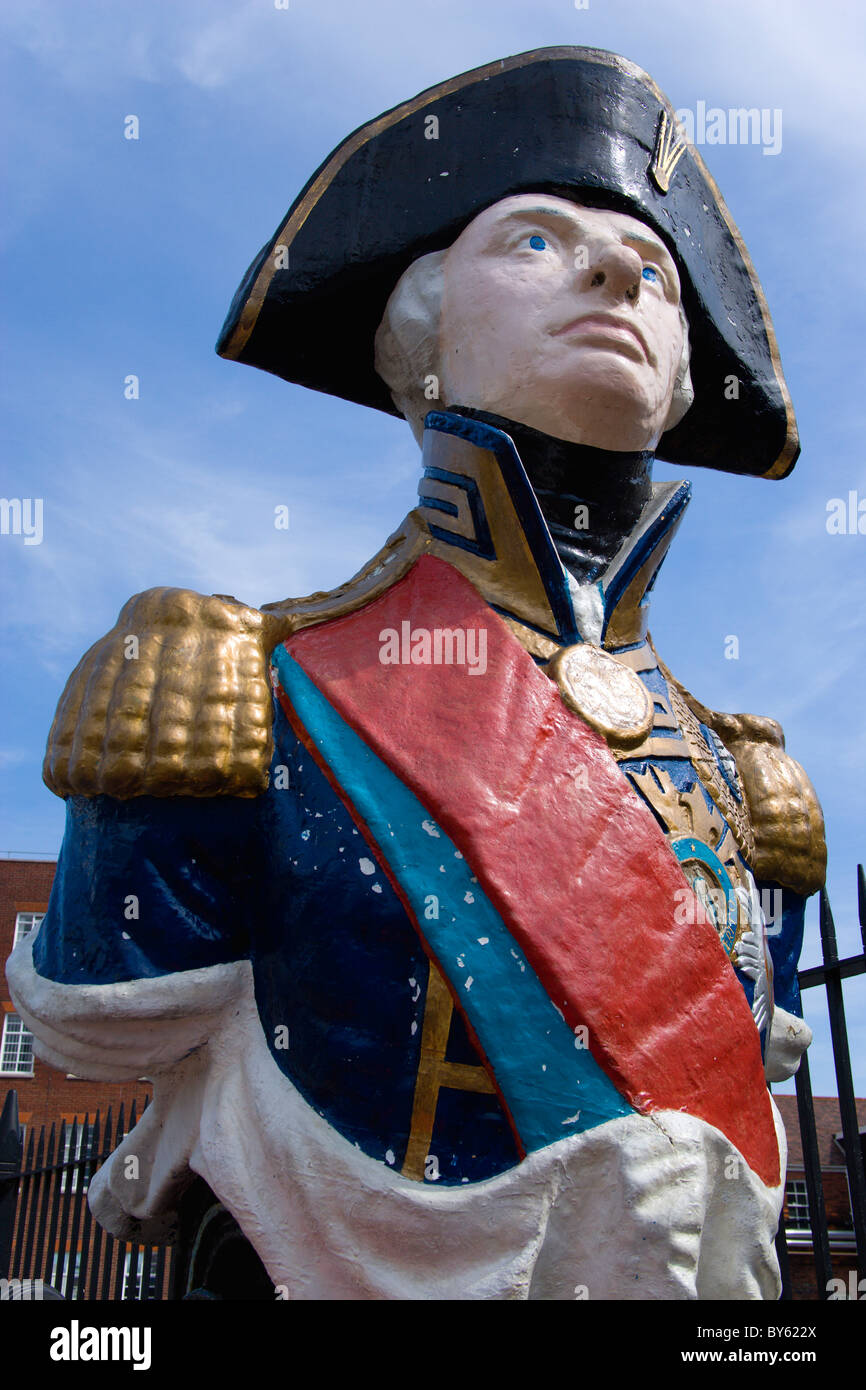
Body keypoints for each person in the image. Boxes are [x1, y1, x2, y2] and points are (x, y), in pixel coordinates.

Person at [7, 47, 825, 1299]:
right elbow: (100, 1017)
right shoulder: (257, 679)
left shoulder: (734, 765)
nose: (613, 270)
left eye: (653, 273)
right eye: (537, 243)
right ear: (419, 338)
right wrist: (147, 792)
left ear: (676, 376)